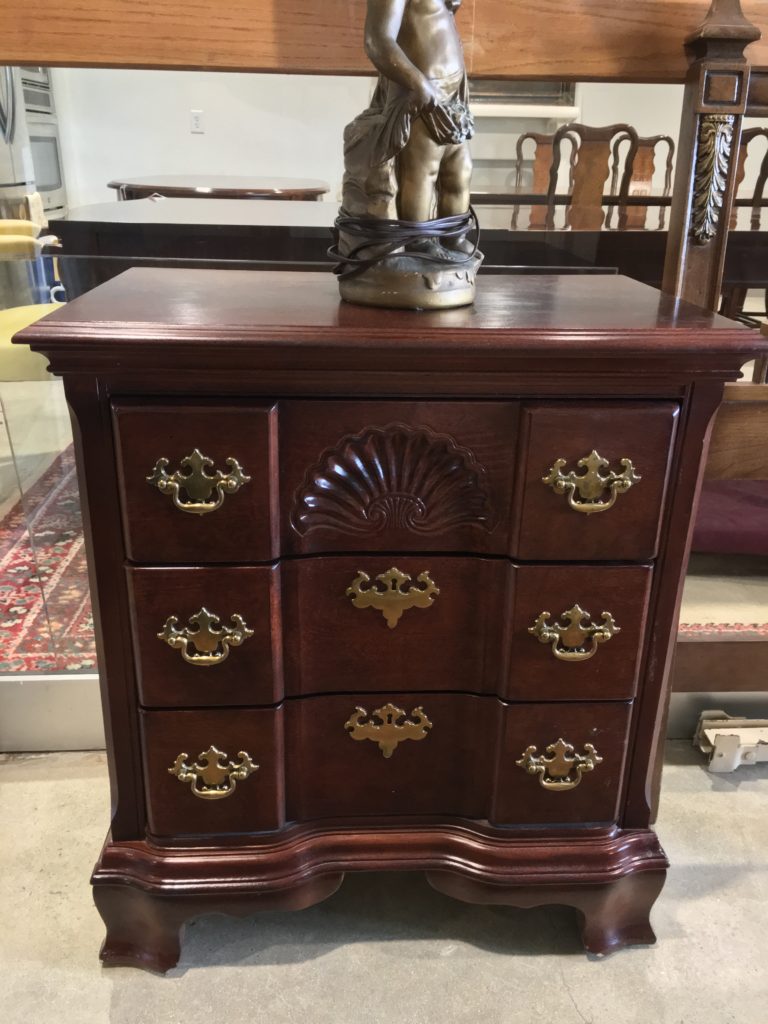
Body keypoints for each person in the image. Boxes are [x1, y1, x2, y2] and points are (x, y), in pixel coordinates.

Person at [341, 0, 474, 236]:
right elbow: (378, 40)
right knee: (422, 173)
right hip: (422, 93)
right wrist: (420, 86)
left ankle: (454, 242)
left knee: (458, 173)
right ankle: (419, 246)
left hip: (453, 94)